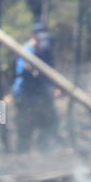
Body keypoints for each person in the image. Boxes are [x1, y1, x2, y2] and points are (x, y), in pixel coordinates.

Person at [12, 22, 59, 152]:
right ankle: (22, 155)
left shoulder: (45, 52)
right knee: (25, 126)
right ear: (33, 36)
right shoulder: (27, 51)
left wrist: (53, 87)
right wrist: (35, 71)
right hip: (25, 93)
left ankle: (44, 152)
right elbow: (25, 69)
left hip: (41, 93)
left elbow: (49, 71)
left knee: (48, 123)